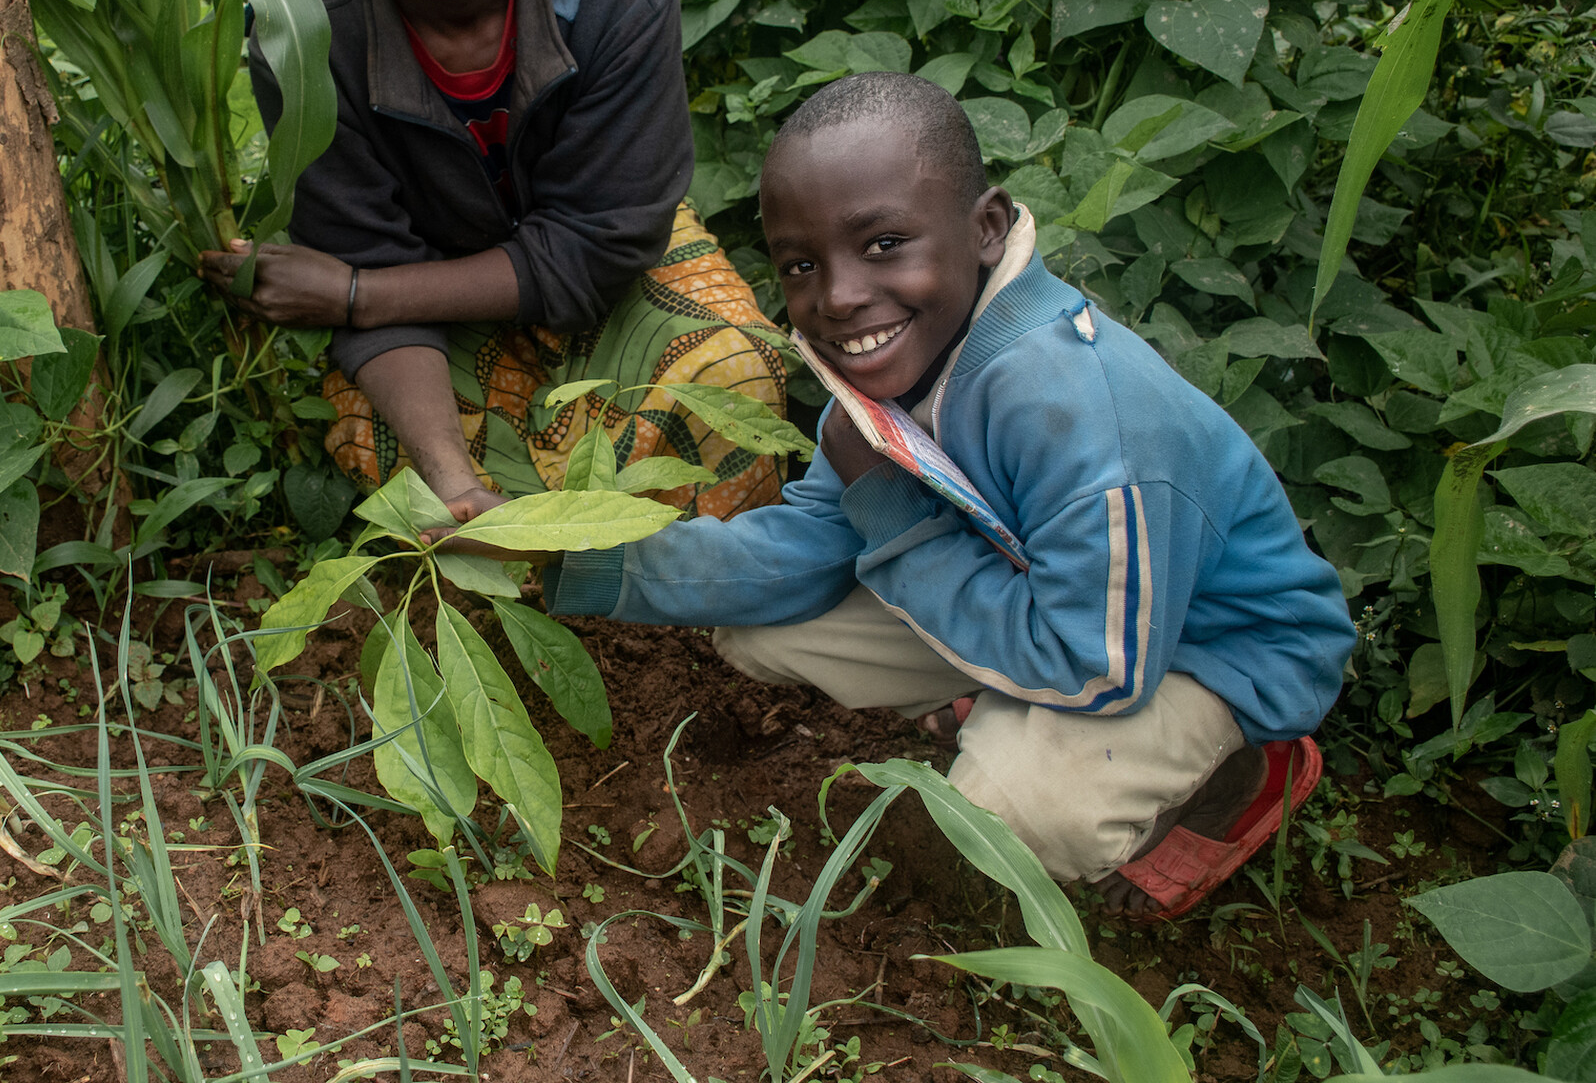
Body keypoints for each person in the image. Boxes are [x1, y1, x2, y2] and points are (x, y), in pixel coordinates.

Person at [534, 73, 1357, 917]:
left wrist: (889, 509)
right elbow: (798, 552)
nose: (841, 296)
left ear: (986, 229)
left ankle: (1238, 778)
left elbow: (1099, 666)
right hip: (1047, 606)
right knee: (763, 624)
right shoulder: (895, 371)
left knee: (1005, 814)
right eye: (802, 265)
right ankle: (1005, 696)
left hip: (1200, 651)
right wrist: (564, 550)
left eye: (885, 243)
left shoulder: (1081, 412)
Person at [197, 0, 787, 525]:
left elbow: (597, 245)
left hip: (605, 269)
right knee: (412, 471)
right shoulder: (304, 36)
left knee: (733, 385)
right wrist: (454, 482)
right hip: (421, 297)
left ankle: (674, 607)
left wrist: (357, 297)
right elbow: (370, 250)